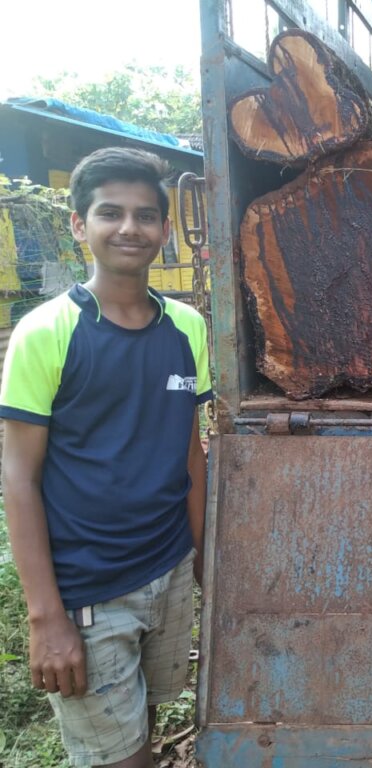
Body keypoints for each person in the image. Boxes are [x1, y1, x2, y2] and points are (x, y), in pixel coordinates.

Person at [1, 147, 212, 768]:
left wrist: (204, 559)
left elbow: (191, 452)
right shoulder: (47, 332)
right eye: (110, 213)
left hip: (169, 568)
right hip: (88, 588)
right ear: (78, 224)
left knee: (141, 726)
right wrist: (46, 617)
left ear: (165, 231)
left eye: (146, 216)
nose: (129, 228)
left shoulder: (188, 327)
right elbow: (18, 476)